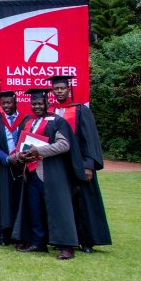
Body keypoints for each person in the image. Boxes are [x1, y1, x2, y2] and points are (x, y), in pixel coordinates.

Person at [10, 89, 83, 260]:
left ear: (47, 104)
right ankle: (38, 242)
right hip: (31, 172)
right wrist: (18, 156)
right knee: (34, 208)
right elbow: (21, 144)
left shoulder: (57, 122)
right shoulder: (29, 123)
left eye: (39, 103)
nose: (36, 106)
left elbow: (64, 145)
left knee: (58, 208)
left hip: (51, 172)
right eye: (33, 104)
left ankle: (66, 246)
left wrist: (39, 151)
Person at [49, 75, 111, 252]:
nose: (59, 91)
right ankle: (65, 239)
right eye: (56, 89)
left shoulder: (80, 110)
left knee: (84, 202)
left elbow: (89, 139)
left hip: (79, 163)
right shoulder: (51, 112)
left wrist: (89, 164)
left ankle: (87, 241)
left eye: (62, 88)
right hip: (59, 165)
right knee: (63, 202)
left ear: (69, 89)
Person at [0, 89, 26, 246]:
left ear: (15, 101)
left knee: (22, 200)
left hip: (24, 166)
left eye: (9, 102)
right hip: (6, 167)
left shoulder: (26, 120)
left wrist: (22, 157)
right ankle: (5, 233)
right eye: (3, 103)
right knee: (6, 201)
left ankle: (21, 235)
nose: (6, 106)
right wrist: (6, 158)